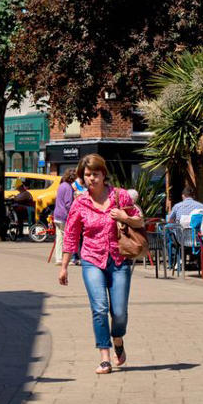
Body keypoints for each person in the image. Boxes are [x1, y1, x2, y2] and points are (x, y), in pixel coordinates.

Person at [60, 154, 143, 374]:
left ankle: (118, 339)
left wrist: (124, 217)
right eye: (87, 175)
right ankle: (104, 356)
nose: (91, 179)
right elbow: (71, 234)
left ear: (103, 174)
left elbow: (140, 220)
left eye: (95, 174)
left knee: (119, 312)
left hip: (118, 260)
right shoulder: (80, 203)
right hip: (91, 259)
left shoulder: (120, 196)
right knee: (99, 308)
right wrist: (64, 266)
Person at [53, 169, 77, 266]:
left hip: (57, 214)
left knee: (59, 237)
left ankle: (58, 258)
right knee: (68, 238)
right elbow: (68, 204)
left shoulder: (61, 186)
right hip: (64, 216)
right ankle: (69, 259)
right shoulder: (68, 187)